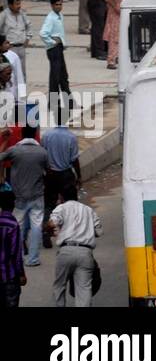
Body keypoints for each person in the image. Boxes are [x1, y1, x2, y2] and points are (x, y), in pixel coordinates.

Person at [46, 185, 101, 308]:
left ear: (61, 196)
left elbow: (51, 224)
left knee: (60, 285)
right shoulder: (88, 210)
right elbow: (99, 231)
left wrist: (48, 230)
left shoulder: (61, 208)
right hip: (85, 252)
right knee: (84, 288)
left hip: (66, 251)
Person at [0, 128, 46, 268]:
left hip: (19, 196)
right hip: (37, 195)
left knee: (18, 226)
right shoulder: (42, 152)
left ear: (21, 135)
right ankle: (33, 259)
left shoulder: (14, 151)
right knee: (36, 226)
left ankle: (17, 258)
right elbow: (47, 171)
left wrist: (5, 141)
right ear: (35, 135)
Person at [41, 122, 78, 251]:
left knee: (49, 205)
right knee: (71, 205)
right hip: (66, 175)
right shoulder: (71, 137)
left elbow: (43, 155)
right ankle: (71, 235)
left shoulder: (46, 136)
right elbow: (74, 160)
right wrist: (79, 176)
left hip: (50, 175)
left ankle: (46, 232)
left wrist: (46, 170)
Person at [40, 0, 69, 126]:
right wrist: (52, 42)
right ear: (52, 5)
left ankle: (69, 101)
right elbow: (43, 33)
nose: (59, 6)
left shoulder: (59, 16)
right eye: (57, 5)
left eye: (60, 4)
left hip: (59, 48)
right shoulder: (50, 18)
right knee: (55, 78)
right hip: (53, 50)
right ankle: (53, 103)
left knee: (63, 76)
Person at [0, 190, 25, 307]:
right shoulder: (13, 225)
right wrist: (21, 274)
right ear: (13, 204)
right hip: (9, 277)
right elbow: (16, 253)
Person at [0, 0, 30, 80]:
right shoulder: (3, 15)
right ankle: (11, 93)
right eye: (16, 4)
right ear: (10, 5)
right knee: (11, 73)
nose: (19, 6)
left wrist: (28, 38)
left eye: (19, 3)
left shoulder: (22, 13)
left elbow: (29, 26)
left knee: (22, 73)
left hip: (21, 48)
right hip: (10, 49)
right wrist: (2, 45)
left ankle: (22, 93)